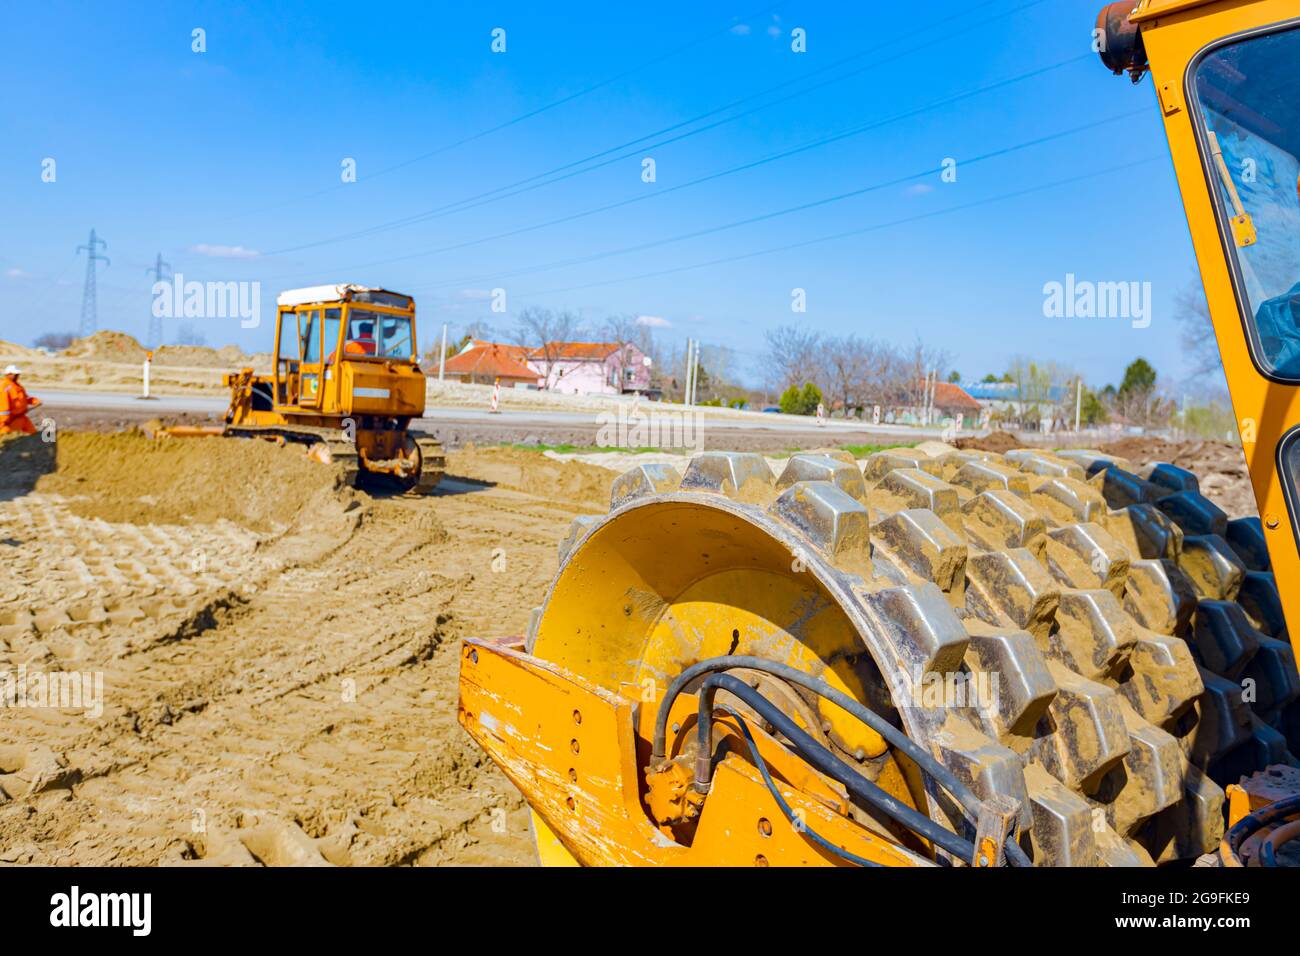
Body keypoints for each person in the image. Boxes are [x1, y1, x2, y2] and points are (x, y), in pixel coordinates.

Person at [0, 365, 41, 435]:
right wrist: (4, 420)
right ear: (8, 374)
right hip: (9, 420)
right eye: (15, 374)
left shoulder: (17, 385)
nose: (17, 376)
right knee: (5, 435)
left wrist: (34, 401)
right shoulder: (4, 386)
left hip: (21, 417)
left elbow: (24, 398)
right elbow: (3, 405)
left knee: (33, 434)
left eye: (17, 374)